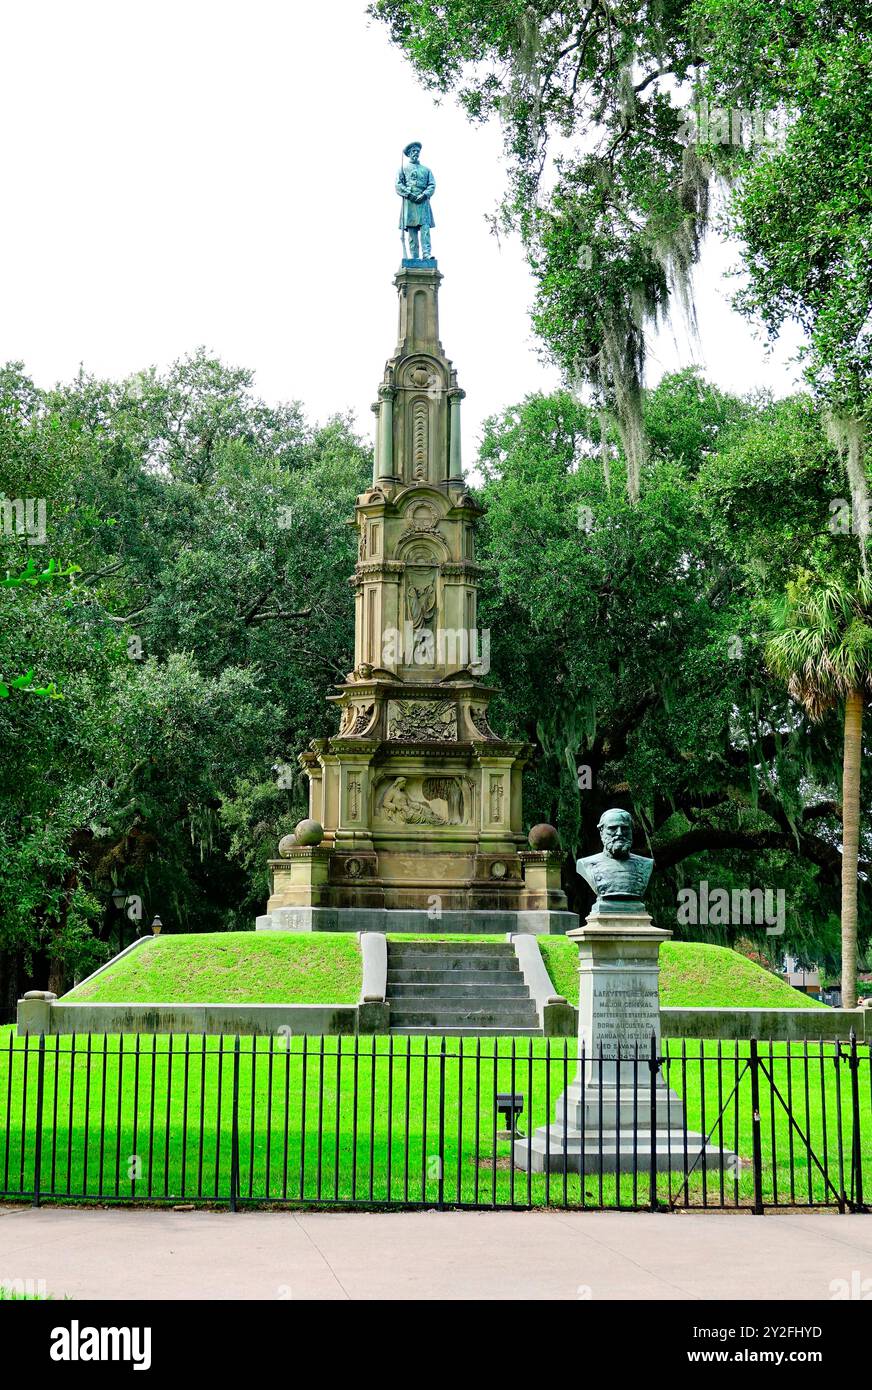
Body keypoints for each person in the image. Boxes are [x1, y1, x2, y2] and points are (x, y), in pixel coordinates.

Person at [397, 142, 435, 260]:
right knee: (412, 231)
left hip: (423, 202)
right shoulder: (403, 169)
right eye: (413, 151)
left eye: (417, 151)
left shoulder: (426, 170)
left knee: (425, 229)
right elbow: (398, 185)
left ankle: (426, 254)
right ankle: (414, 256)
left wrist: (424, 195)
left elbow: (432, 185)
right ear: (409, 154)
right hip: (410, 202)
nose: (416, 153)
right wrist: (408, 194)